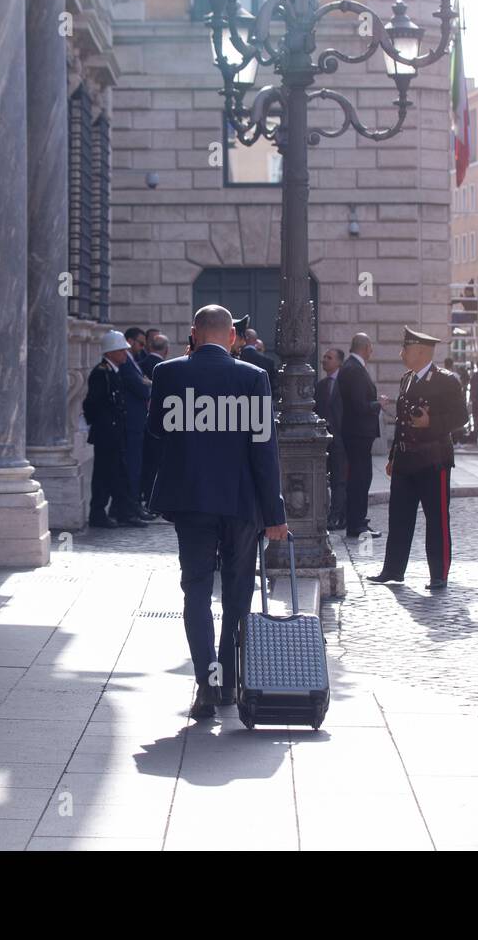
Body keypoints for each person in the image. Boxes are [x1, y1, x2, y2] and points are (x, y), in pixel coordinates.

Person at [148, 305, 288, 720]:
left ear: (193, 333)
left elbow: (157, 430)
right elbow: (264, 449)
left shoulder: (168, 374)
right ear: (231, 337)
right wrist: (275, 512)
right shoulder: (252, 376)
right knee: (237, 592)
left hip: (191, 500)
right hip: (240, 504)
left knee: (194, 589)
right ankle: (226, 680)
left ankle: (206, 684)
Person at [367, 328, 469, 590]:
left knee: (437, 519)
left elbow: (461, 417)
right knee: (399, 517)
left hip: (433, 460)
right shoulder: (407, 378)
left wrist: (430, 422)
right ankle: (393, 569)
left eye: (406, 349)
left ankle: (438, 574)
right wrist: (392, 456)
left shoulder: (446, 380)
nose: (401, 353)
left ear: (421, 352)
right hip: (405, 461)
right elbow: (401, 423)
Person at [83, 331, 146, 529]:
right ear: (110, 353)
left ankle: (123, 511)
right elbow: (92, 404)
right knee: (104, 475)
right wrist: (105, 425)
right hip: (106, 434)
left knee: (118, 473)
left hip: (115, 432)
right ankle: (99, 513)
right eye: (121, 351)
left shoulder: (113, 372)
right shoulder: (102, 373)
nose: (125, 355)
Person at [337, 332, 387, 538]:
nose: (372, 351)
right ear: (365, 348)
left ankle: (358, 521)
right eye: (371, 347)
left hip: (356, 433)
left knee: (361, 477)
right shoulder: (355, 370)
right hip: (358, 433)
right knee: (360, 479)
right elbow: (359, 405)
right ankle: (357, 523)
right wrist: (379, 404)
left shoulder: (351, 367)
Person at [116, 331, 154, 521]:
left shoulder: (131, 360)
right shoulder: (127, 363)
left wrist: (146, 383)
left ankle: (132, 506)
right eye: (140, 344)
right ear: (129, 341)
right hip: (131, 424)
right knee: (132, 466)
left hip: (136, 423)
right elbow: (140, 387)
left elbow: (143, 383)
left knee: (135, 465)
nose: (143, 348)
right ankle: (129, 508)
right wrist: (148, 384)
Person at [315, 347, 347, 530]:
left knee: (338, 480)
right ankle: (325, 513)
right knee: (321, 479)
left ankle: (337, 516)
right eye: (324, 357)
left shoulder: (345, 384)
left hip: (340, 440)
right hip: (323, 441)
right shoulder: (320, 386)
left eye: (329, 357)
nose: (324, 360)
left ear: (339, 362)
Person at [138, 334, 170, 511]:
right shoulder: (165, 369)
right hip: (162, 424)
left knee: (146, 464)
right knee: (157, 465)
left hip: (146, 422)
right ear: (166, 350)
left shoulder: (140, 365)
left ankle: (145, 498)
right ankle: (152, 501)